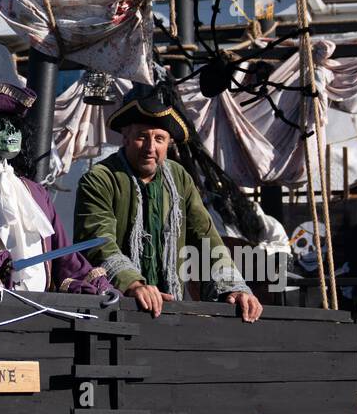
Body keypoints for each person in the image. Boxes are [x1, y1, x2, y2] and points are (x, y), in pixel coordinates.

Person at [75, 87, 263, 321]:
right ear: (126, 137)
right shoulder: (101, 177)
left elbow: (207, 238)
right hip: (116, 305)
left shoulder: (179, 177)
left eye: (159, 139)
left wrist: (235, 287)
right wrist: (133, 284)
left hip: (171, 306)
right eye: (142, 136)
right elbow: (97, 241)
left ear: (169, 144)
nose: (150, 147)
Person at [0, 83, 113, 294]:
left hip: (38, 311)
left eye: (14, 124)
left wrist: (99, 286)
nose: (12, 130)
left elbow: (64, 257)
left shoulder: (35, 192)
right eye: (1, 124)